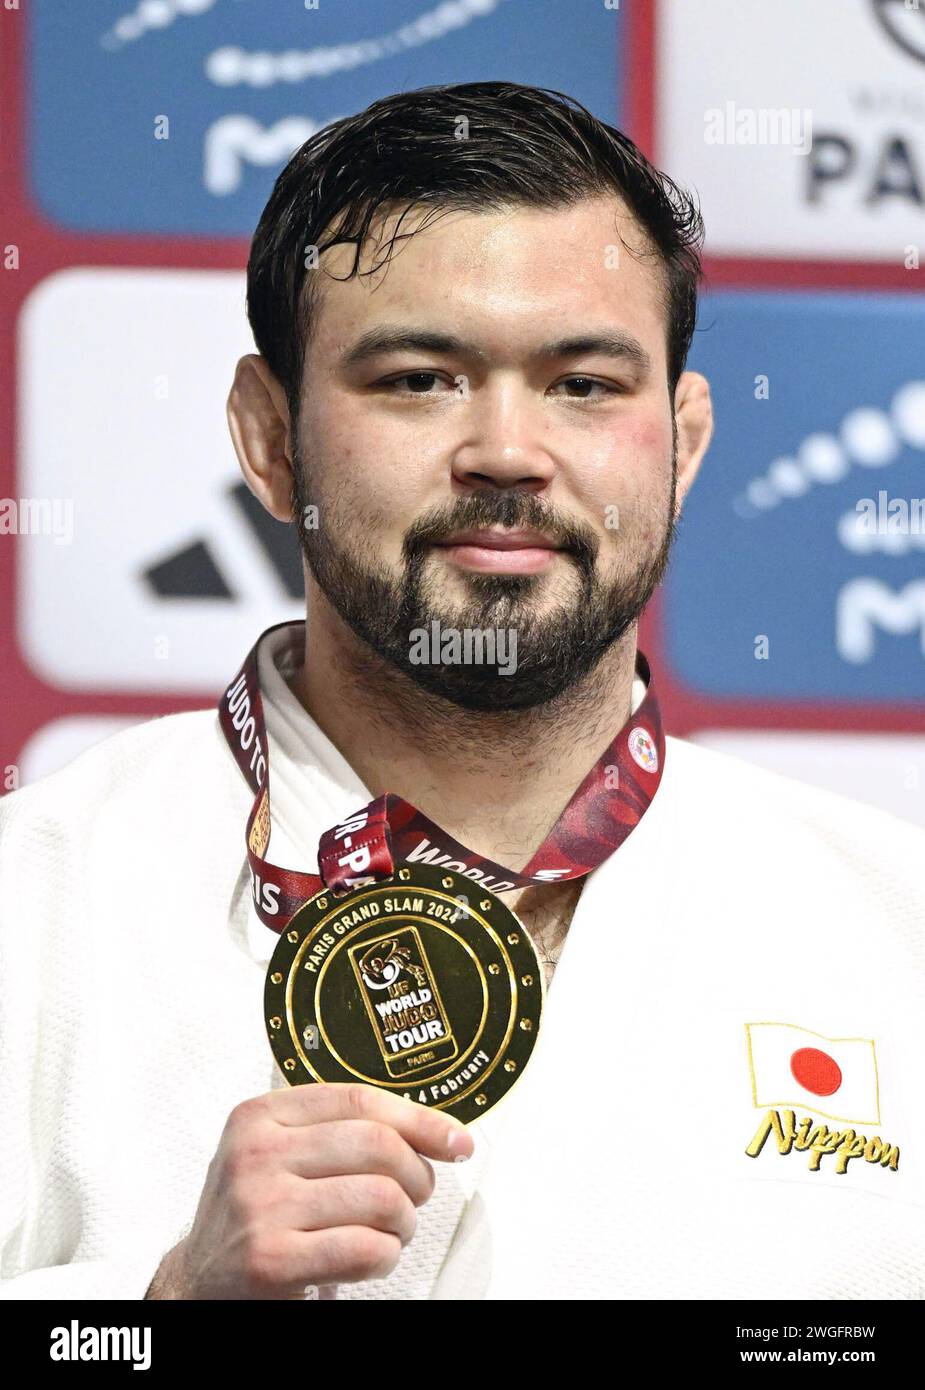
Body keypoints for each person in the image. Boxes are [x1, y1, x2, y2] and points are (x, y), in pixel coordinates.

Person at [1, 81, 923, 1303]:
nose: (505, 452)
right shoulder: (34, 899)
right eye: (418, 378)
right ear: (270, 439)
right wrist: (163, 1305)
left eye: (582, 384)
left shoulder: (896, 927)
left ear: (685, 443)